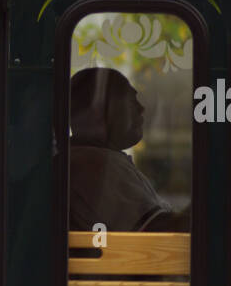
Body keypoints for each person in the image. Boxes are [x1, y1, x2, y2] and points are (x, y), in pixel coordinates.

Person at [68, 67, 189, 232]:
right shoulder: (95, 164)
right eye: (130, 101)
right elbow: (157, 232)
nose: (141, 108)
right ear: (100, 110)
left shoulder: (90, 158)